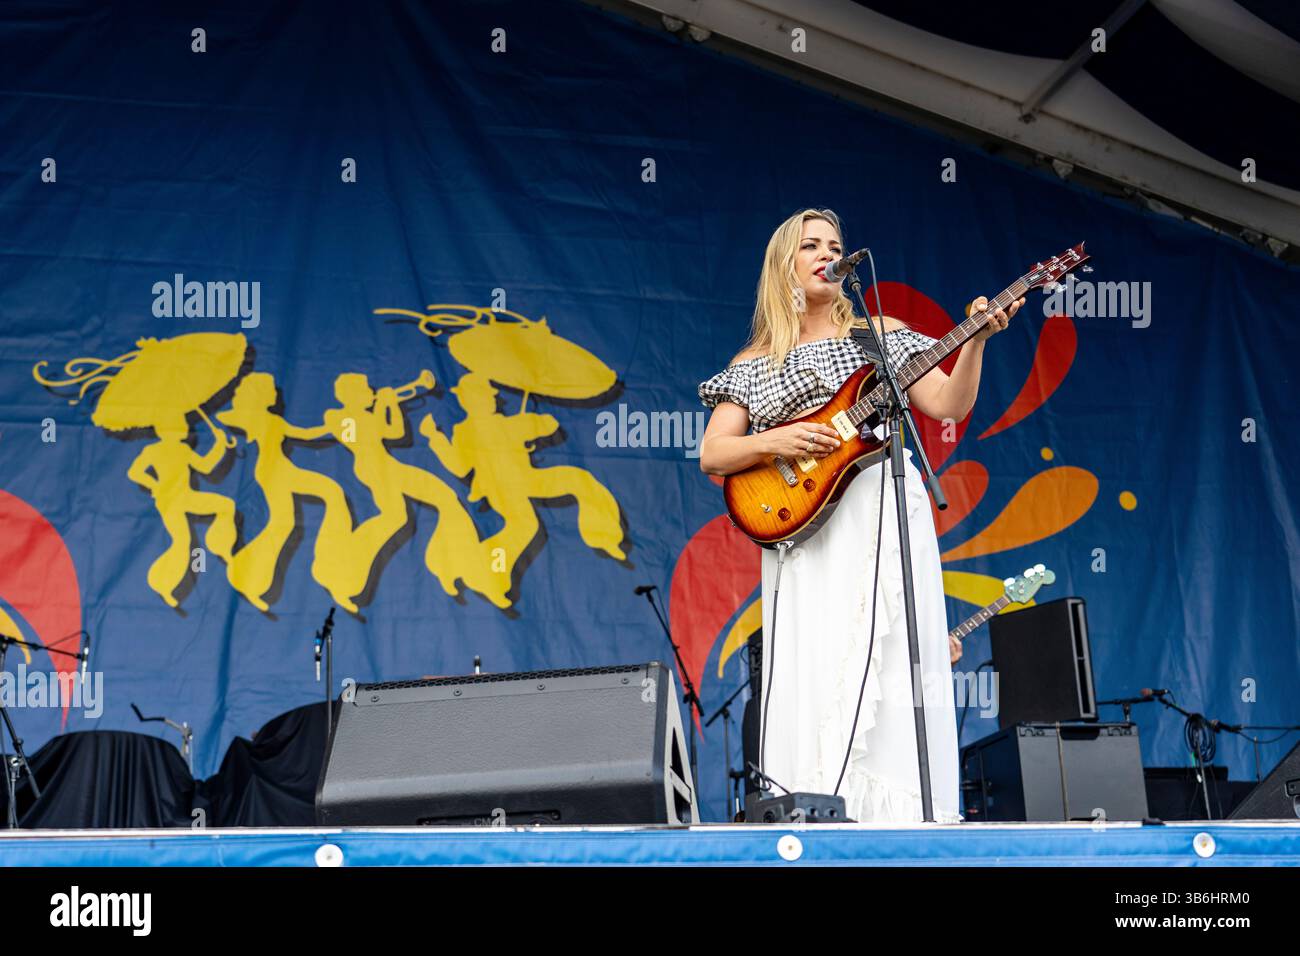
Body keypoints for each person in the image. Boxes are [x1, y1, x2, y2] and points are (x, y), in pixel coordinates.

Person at [697, 208, 1023, 823]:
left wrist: (976, 337)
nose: (826, 253)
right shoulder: (757, 361)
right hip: (807, 527)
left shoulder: (880, 336)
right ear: (783, 265)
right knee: (819, 667)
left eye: (835, 245)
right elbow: (714, 454)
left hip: (885, 508)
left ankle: (904, 821)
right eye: (810, 245)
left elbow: (948, 402)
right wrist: (779, 442)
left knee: (898, 662)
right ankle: (816, 812)